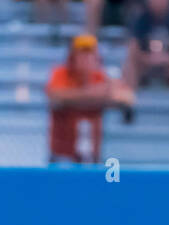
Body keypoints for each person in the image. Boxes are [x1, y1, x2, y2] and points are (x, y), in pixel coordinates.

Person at [44, 33, 133, 163]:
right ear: (72, 56)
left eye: (90, 54)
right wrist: (95, 95)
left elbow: (126, 97)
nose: (86, 58)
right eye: (82, 54)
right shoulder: (61, 73)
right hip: (63, 154)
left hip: (92, 154)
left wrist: (74, 99)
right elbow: (55, 95)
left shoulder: (100, 76)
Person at [123, 0, 169, 121]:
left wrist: (168, 59)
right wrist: (147, 59)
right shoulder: (140, 17)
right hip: (145, 64)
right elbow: (133, 48)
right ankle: (127, 106)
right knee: (130, 65)